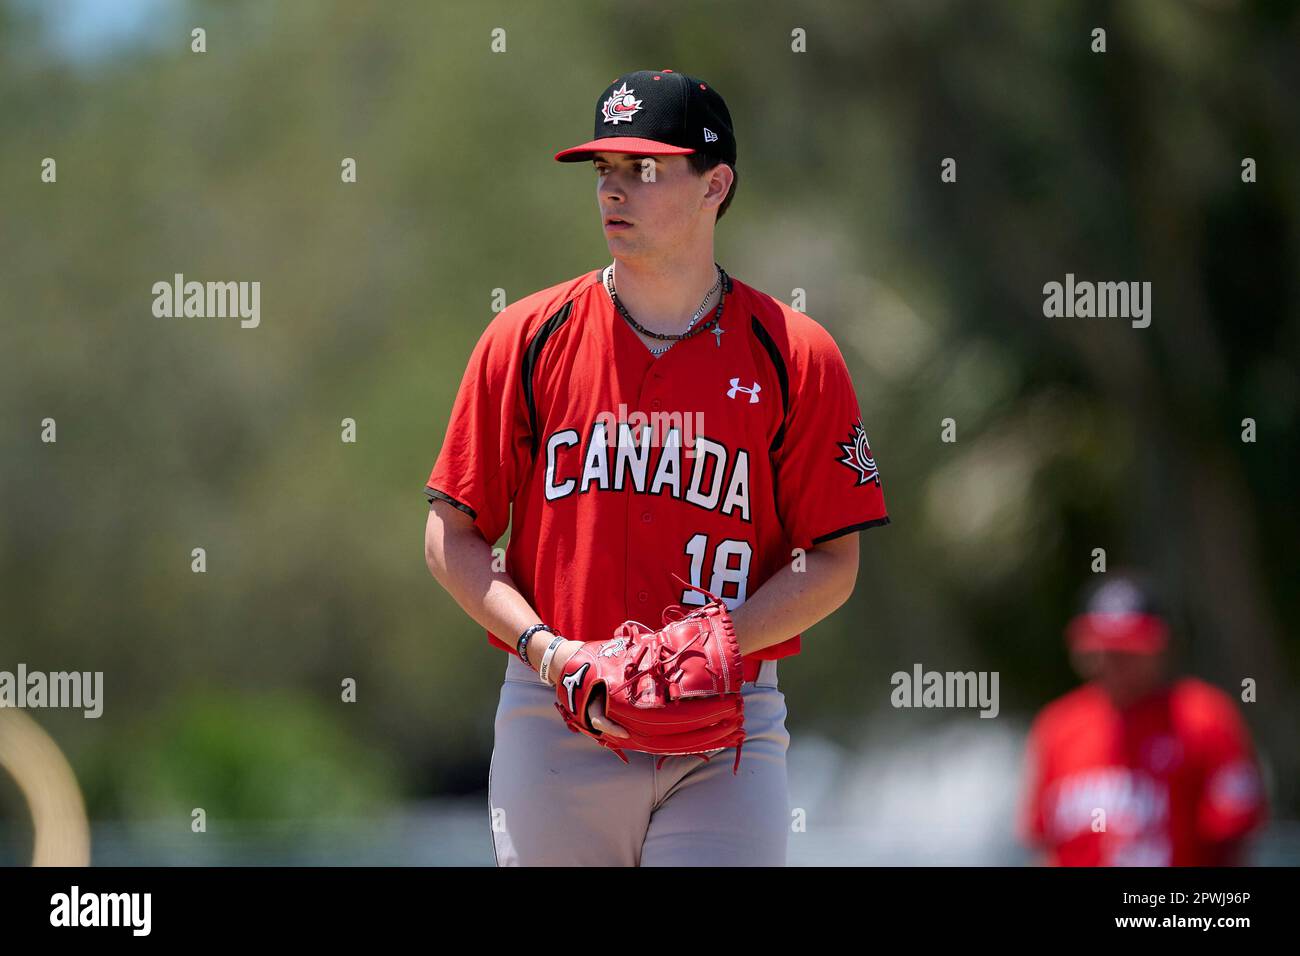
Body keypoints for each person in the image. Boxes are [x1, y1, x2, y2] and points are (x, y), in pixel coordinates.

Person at [422, 69, 889, 866]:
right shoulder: (527, 337)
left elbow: (836, 561)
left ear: (717, 183)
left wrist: (722, 644)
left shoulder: (794, 353)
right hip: (559, 714)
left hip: (725, 723)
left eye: (644, 169)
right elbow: (449, 536)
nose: (614, 190)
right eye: (604, 169)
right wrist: (548, 651)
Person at [1019, 573, 1267, 866]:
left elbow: (1233, 840)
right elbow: (1046, 846)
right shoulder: (1059, 725)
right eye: (1104, 648)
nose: (1115, 660)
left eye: (1129, 649)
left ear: (1162, 646)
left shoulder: (1204, 717)